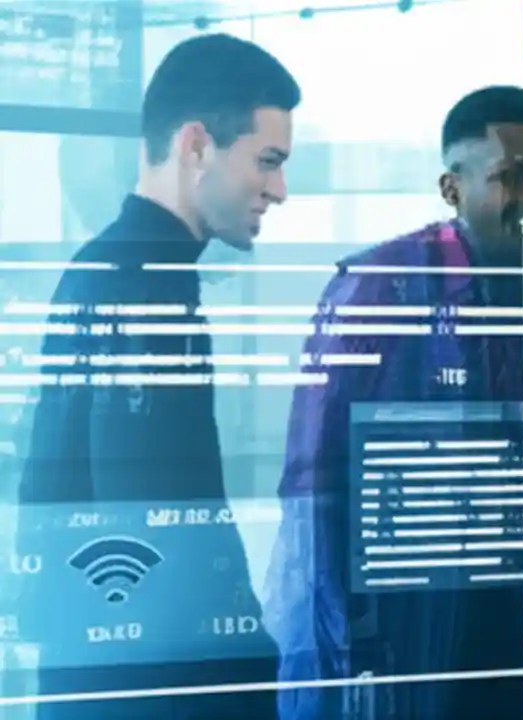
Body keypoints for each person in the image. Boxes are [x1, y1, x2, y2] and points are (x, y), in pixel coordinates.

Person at [263, 85, 523, 720]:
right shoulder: (383, 285)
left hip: (498, 605)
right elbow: (313, 483)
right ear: (452, 187)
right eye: (515, 177)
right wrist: (338, 652)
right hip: (390, 622)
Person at [15, 33, 299, 720]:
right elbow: (152, 528)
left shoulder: (109, 269)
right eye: (267, 161)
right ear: (196, 145)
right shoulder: (144, 286)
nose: (279, 190)